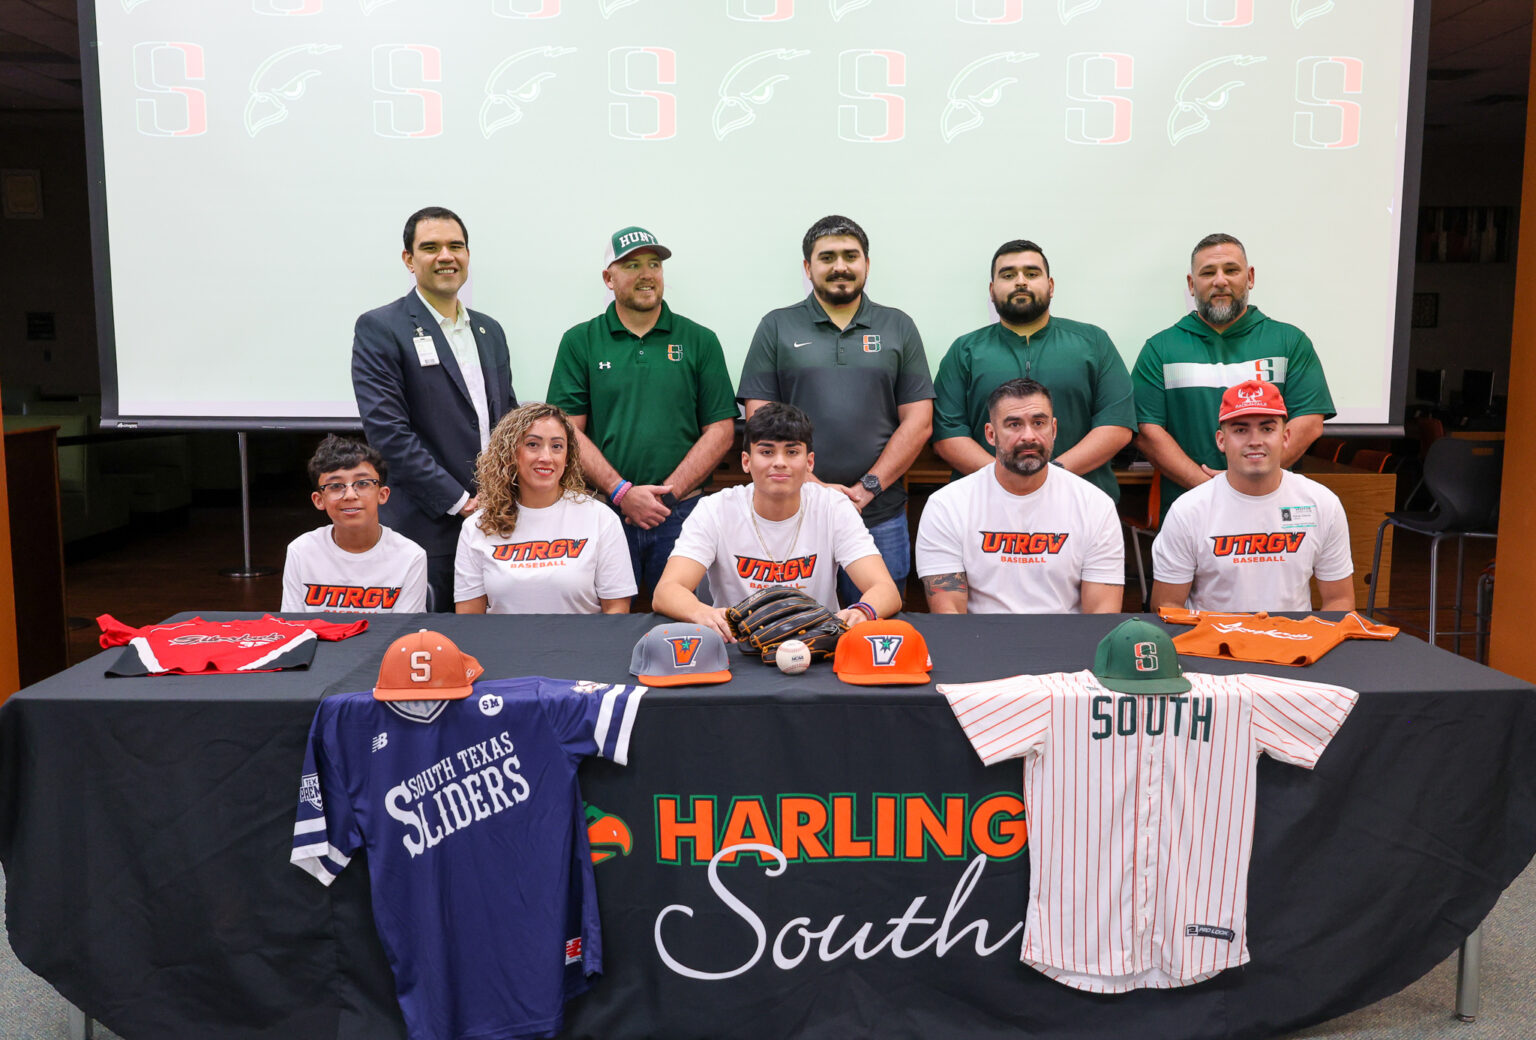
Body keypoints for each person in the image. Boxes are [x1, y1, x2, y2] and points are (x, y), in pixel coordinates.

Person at [736, 214, 934, 605]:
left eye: (851, 255)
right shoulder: (776, 327)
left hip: (879, 514)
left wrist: (867, 489)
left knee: (876, 627)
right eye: (827, 257)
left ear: (867, 264)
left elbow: (920, 421)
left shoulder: (898, 326)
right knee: (793, 627)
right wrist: (818, 490)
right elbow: (760, 421)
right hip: (795, 514)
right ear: (808, 268)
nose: (840, 266)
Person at [547, 226, 737, 601]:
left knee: (689, 628)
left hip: (683, 513)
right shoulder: (580, 341)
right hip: (605, 514)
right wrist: (622, 493)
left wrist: (665, 496)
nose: (647, 274)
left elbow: (721, 430)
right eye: (632, 265)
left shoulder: (700, 340)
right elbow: (567, 431)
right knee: (608, 628)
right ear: (608, 277)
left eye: (654, 264)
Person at [352, 206, 517, 610]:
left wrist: (504, 495)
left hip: (496, 522)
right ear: (409, 260)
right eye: (431, 247)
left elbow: (508, 420)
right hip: (428, 526)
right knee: (433, 650)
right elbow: (389, 434)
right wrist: (462, 502)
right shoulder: (381, 327)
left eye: (455, 246)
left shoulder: (489, 330)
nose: (446, 256)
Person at [652, 402, 902, 642]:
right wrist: (701, 612)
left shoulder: (834, 508)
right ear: (746, 462)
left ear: (809, 462)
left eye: (792, 452)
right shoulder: (715, 509)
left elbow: (885, 589)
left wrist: (863, 611)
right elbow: (666, 591)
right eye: (766, 451)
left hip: (816, 644)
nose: (779, 461)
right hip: (737, 646)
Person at [1132, 232, 1333, 517]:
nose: (1220, 281)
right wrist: (1210, 488)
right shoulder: (1160, 349)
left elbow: (1310, 422)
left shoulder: (1290, 342)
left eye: (1231, 270)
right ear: (1192, 284)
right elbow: (1146, 432)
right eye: (1208, 272)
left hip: (1272, 511)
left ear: (1250, 277)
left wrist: (1251, 481)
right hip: (1192, 511)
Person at [932, 239, 1135, 502]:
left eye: (1031, 273)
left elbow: (1116, 425)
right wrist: (1004, 480)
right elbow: (948, 434)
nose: (1020, 281)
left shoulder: (1094, 343)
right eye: (1008, 275)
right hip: (985, 505)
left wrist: (1052, 476)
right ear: (992, 291)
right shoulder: (964, 350)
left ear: (1050, 286)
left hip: (1080, 502)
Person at [915, 378, 1123, 614]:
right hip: (980, 644)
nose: (1029, 436)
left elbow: (1102, 615)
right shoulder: (947, 505)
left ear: (1053, 429)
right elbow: (949, 614)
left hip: (1066, 645)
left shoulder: (1095, 505)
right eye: (1014, 425)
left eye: (1038, 423)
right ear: (991, 434)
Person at [1150, 379, 1354, 613]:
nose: (1255, 441)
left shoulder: (1322, 503)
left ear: (1285, 437)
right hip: (1213, 645)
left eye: (1267, 429)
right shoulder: (1188, 510)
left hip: (1294, 644)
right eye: (1240, 430)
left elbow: (1339, 602)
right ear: (1221, 440)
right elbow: (1167, 607)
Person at [454, 403, 635, 615]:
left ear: (568, 457)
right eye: (533, 445)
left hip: (581, 647)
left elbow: (616, 610)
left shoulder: (601, 518)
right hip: (505, 647)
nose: (546, 457)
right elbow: (470, 620)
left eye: (557, 446)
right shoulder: (476, 526)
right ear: (510, 453)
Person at [281, 435, 427, 613]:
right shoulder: (301, 551)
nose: (350, 495)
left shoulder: (410, 556)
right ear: (319, 500)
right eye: (335, 486)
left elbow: (405, 634)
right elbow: (293, 627)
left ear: (383, 494)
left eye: (363, 483)